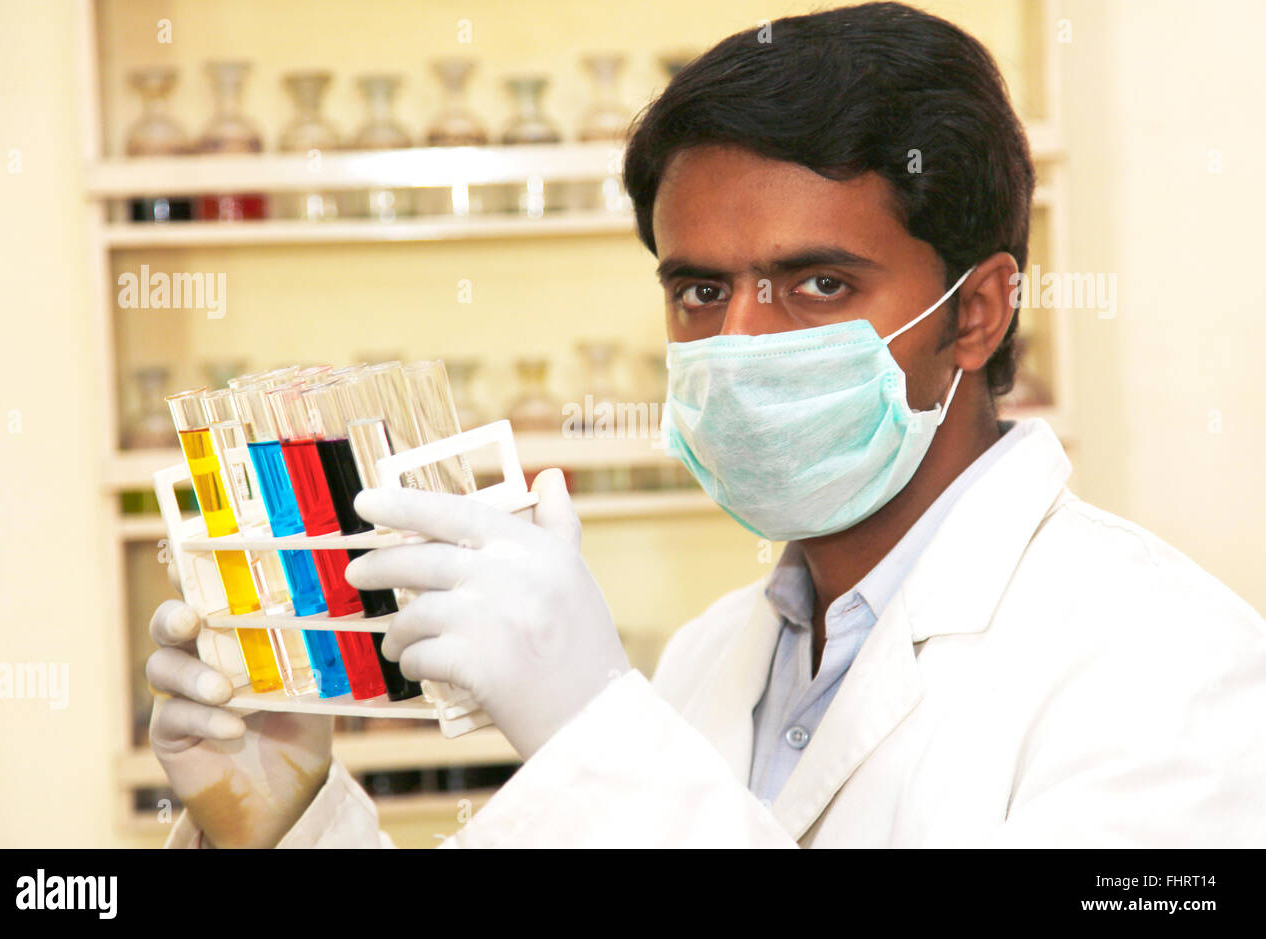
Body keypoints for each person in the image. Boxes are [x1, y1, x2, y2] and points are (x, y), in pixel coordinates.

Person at [148, 3, 1266, 848]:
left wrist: (591, 730)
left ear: (973, 312)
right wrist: (281, 810)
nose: (740, 341)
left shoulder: (1168, 667)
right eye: (697, 290)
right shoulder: (707, 661)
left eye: (819, 284)